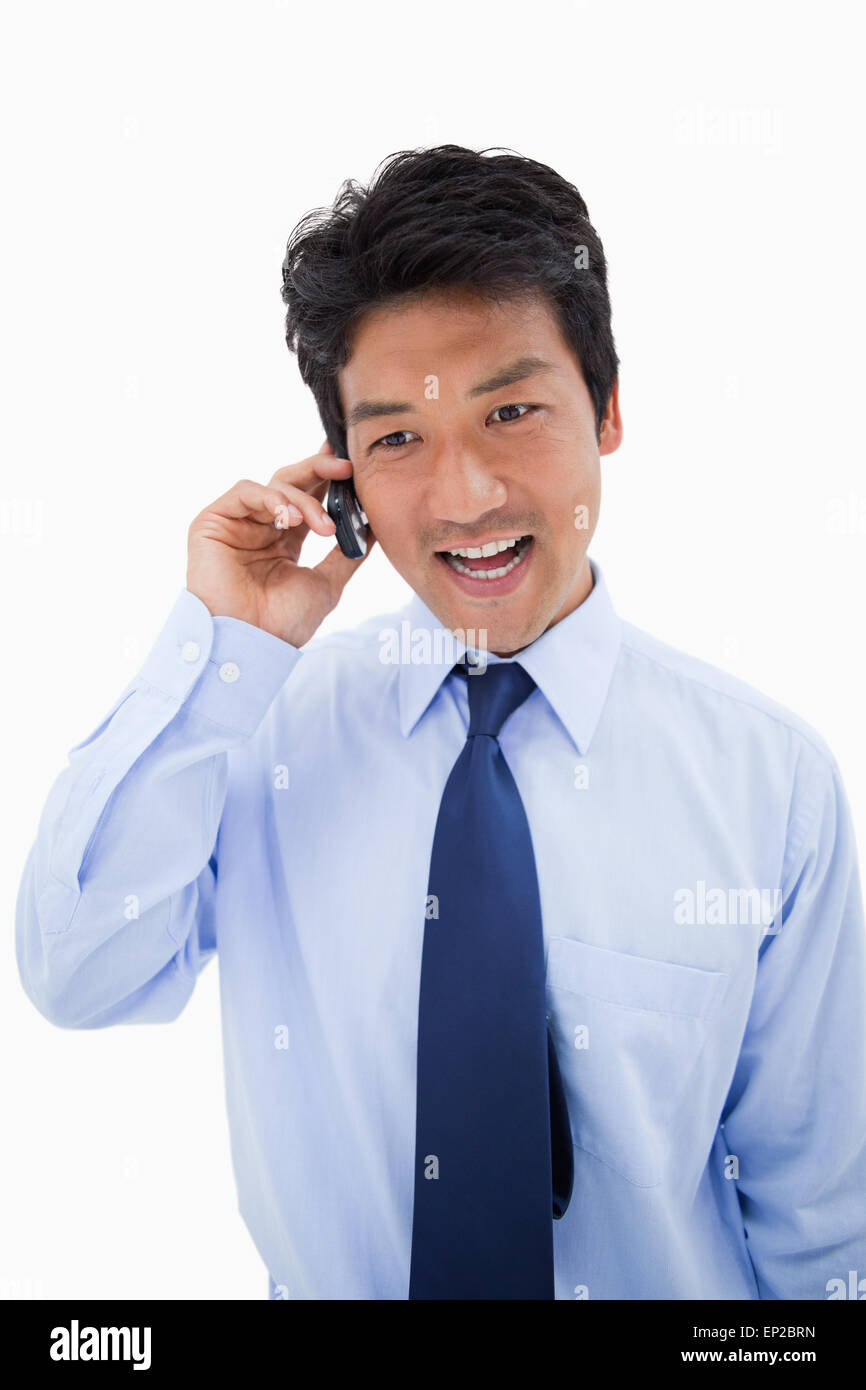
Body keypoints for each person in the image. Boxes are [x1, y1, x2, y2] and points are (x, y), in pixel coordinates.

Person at [16, 145, 866, 1300]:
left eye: (509, 409)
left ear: (606, 409)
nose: (464, 496)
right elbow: (77, 970)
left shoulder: (769, 785)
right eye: (397, 439)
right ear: (344, 475)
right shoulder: (260, 734)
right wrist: (227, 648)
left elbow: (821, 1225)